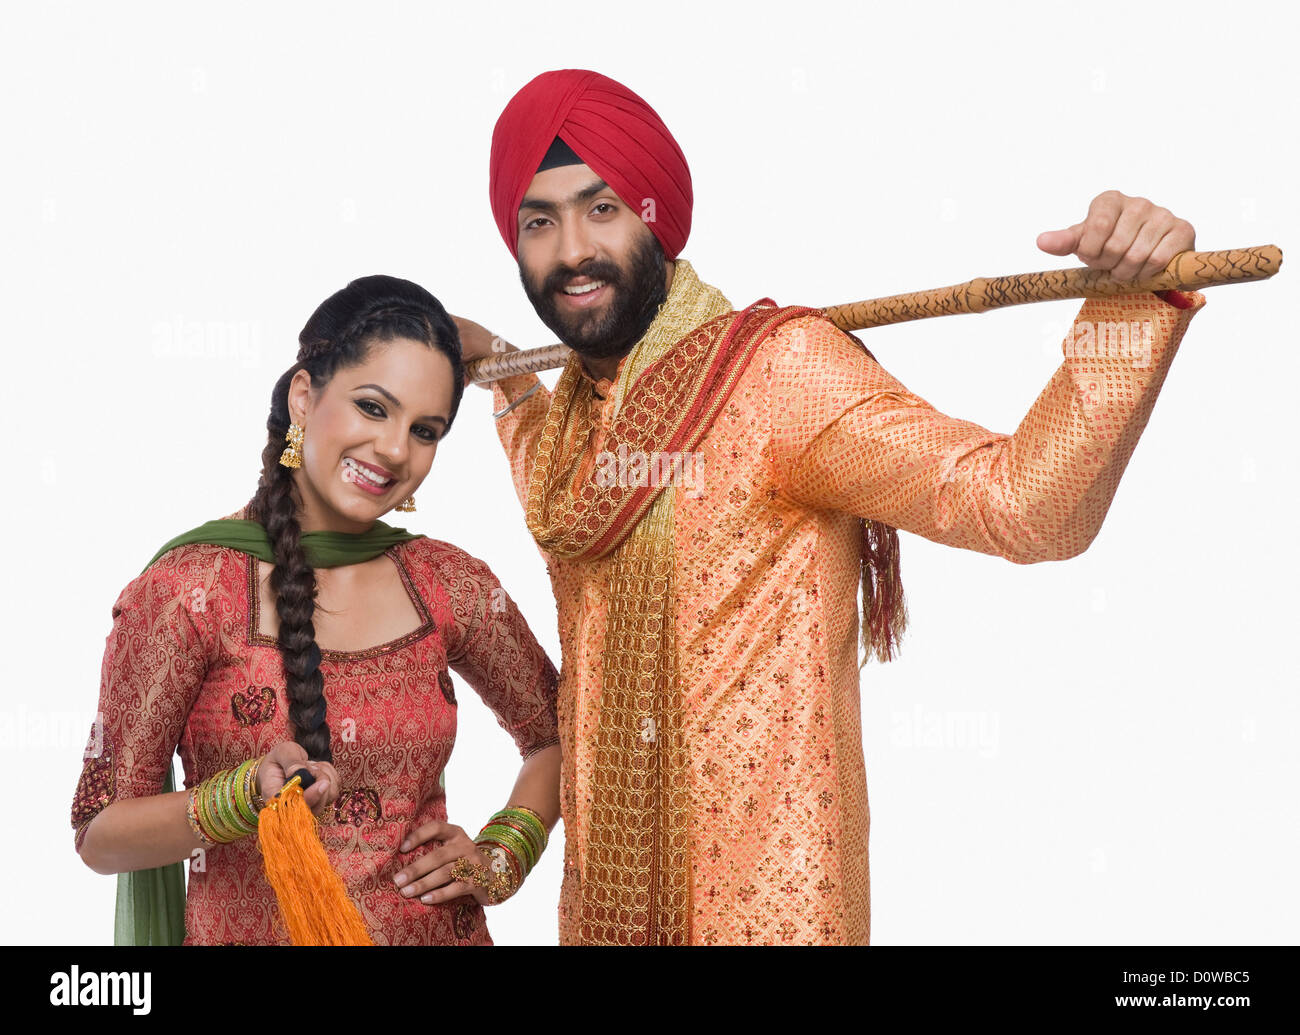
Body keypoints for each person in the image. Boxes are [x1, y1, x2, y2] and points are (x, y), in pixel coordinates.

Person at [445, 69, 1205, 945]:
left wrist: (1127, 306)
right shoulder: (571, 432)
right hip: (600, 921)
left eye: (603, 208)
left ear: (657, 218)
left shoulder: (778, 375)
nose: (573, 250)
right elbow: (545, 456)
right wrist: (498, 362)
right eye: (539, 222)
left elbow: (1026, 508)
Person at [72, 274, 561, 945]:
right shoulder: (188, 589)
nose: (395, 450)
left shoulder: (448, 581)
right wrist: (243, 796)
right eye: (372, 407)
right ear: (304, 396)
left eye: (425, 430)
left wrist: (503, 855)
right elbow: (99, 832)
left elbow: (559, 732)